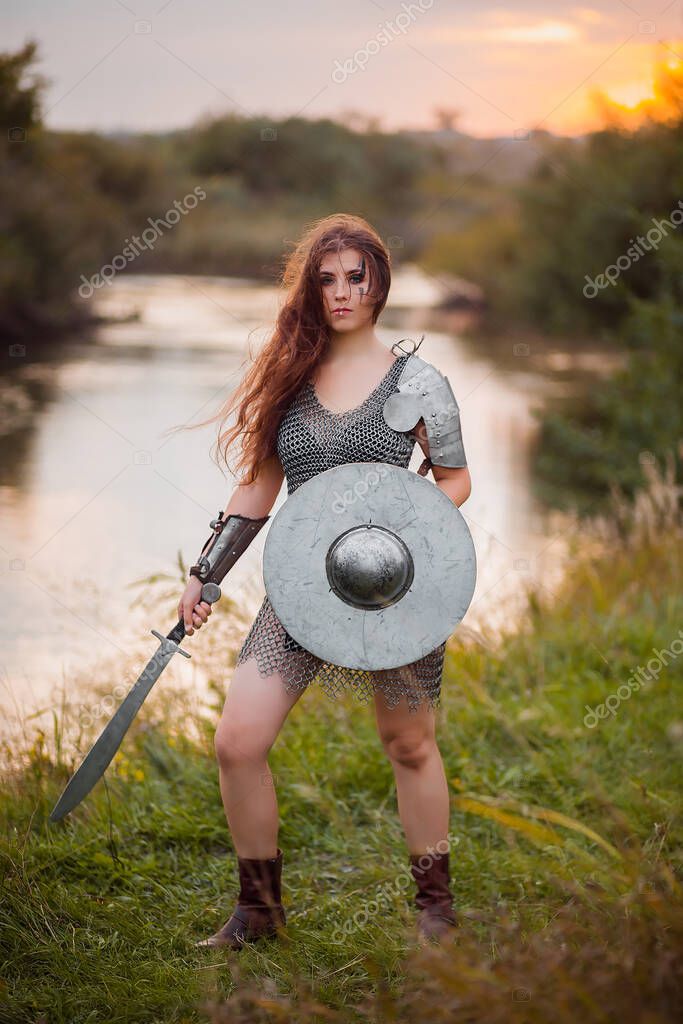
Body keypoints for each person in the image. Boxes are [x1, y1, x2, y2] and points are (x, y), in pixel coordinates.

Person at [176, 213, 472, 950]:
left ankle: (435, 909)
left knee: (407, 743)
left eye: (355, 277)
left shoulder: (419, 381)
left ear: (379, 284)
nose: (341, 293)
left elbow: (455, 480)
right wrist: (204, 576)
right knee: (237, 740)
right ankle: (259, 912)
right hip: (301, 589)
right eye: (327, 279)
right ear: (311, 289)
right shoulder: (290, 374)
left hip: (396, 592)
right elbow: (258, 487)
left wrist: (400, 528)